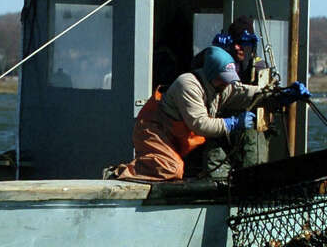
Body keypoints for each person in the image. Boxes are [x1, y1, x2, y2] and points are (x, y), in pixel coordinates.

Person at [105, 46, 265, 182]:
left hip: (177, 137)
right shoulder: (188, 84)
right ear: (210, 73)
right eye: (223, 79)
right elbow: (201, 125)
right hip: (154, 131)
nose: (226, 84)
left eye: (229, 80)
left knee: (189, 169)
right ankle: (117, 173)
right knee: (172, 168)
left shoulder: (219, 86)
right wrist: (234, 123)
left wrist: (276, 94)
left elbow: (242, 92)